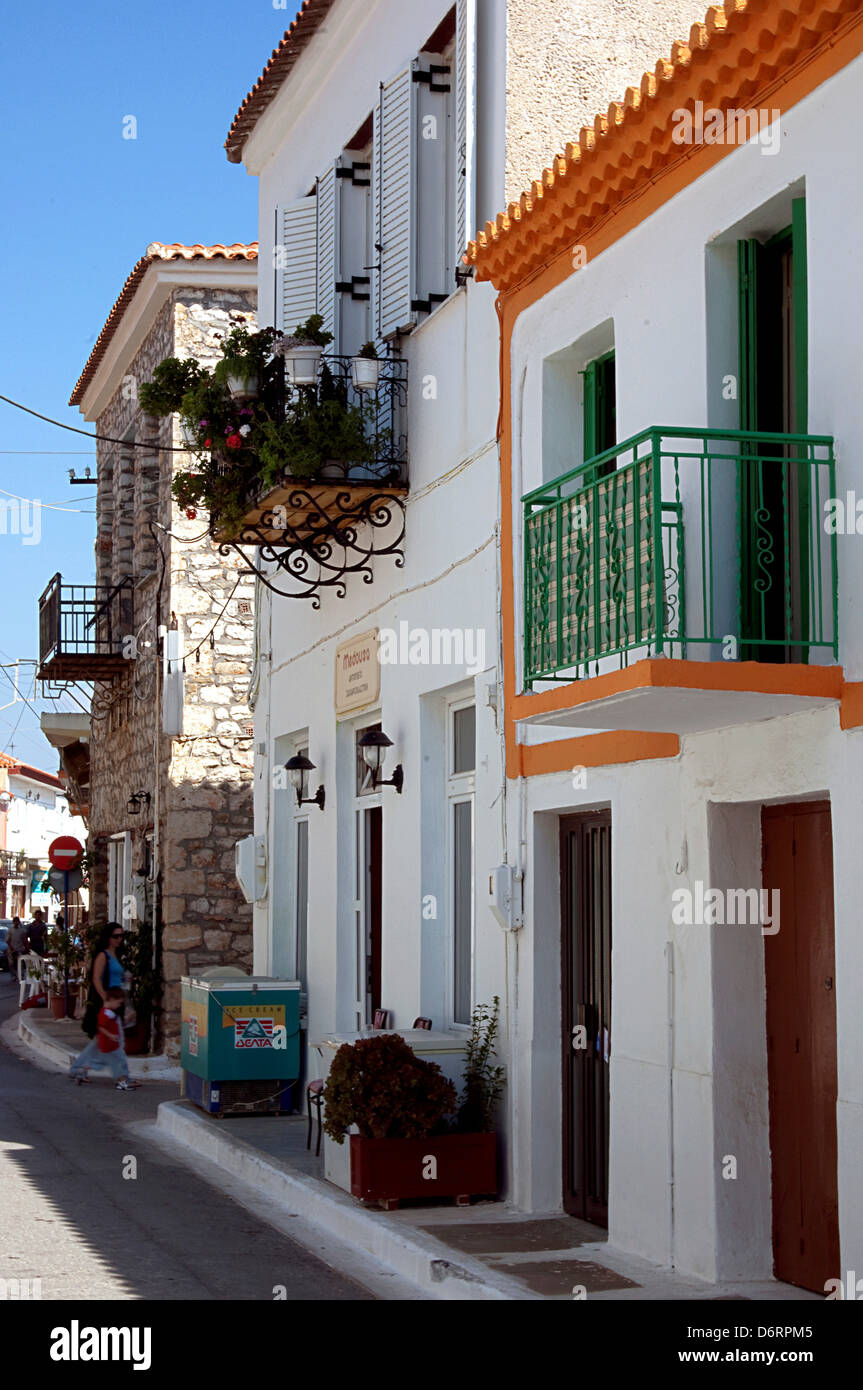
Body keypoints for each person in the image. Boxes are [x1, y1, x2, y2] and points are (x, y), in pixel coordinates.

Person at [68, 924, 126, 1079]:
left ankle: (79, 1067)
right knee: (116, 1040)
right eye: (116, 936)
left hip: (116, 1001)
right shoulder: (103, 955)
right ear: (108, 937)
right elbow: (96, 979)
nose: (119, 939)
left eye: (121, 936)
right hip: (108, 1003)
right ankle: (123, 1076)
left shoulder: (116, 954)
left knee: (101, 1041)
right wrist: (106, 1001)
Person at [7, 916, 28, 981]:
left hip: (19, 949)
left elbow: (25, 940)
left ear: (18, 922)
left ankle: (21, 975)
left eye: (17, 921)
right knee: (11, 963)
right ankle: (13, 976)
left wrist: (26, 948)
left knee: (20, 963)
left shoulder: (22, 931)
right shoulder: (10, 930)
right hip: (11, 949)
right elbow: (8, 940)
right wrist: (11, 948)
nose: (16, 923)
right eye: (15, 921)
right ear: (13, 922)